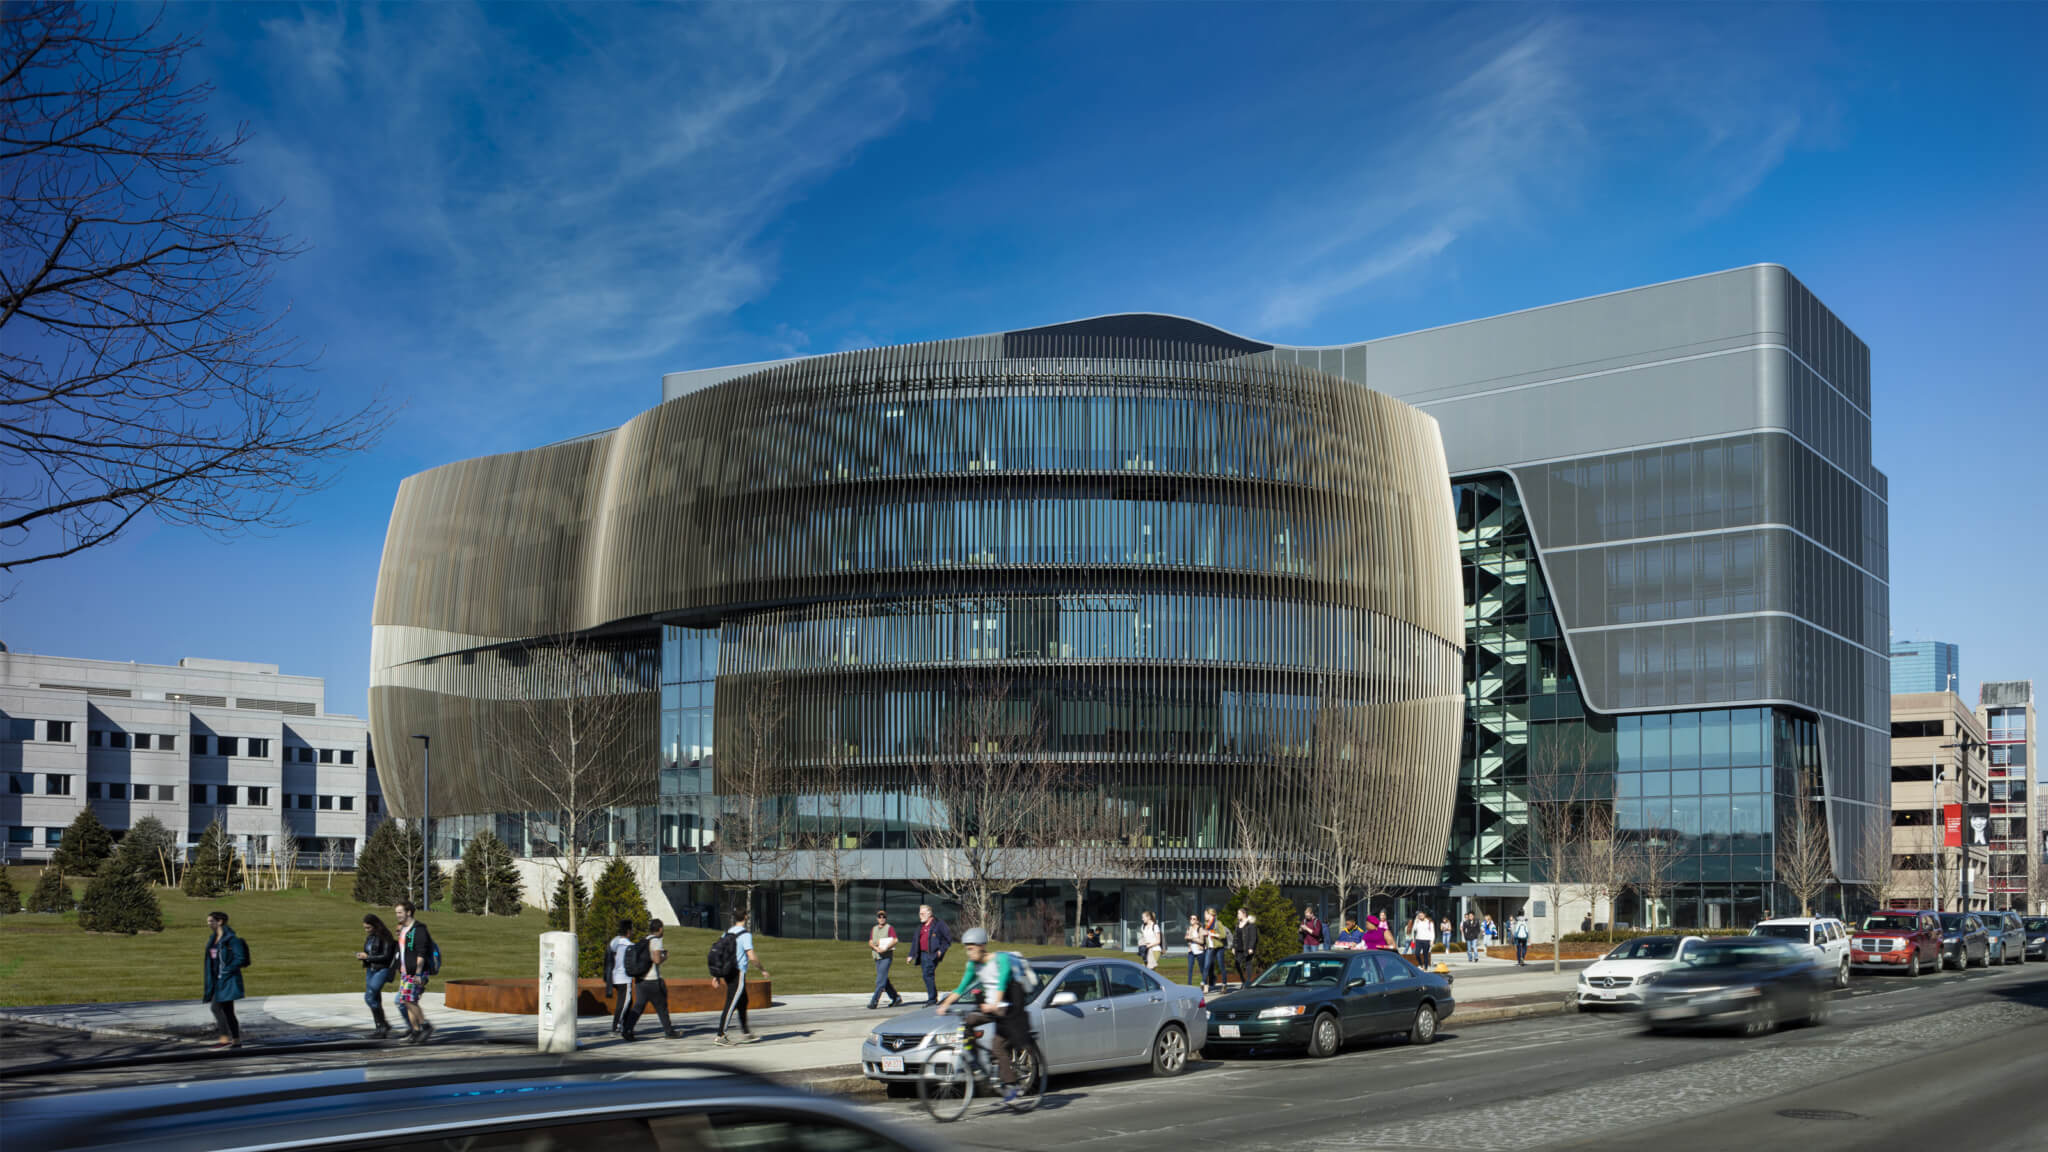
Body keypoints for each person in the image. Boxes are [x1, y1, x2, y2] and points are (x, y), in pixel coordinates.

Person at [937, 927, 1034, 1104]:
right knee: (967, 1022)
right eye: (967, 949)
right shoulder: (973, 965)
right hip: (990, 1008)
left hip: (1007, 1008)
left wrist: (995, 1003)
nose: (969, 952)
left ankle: (1012, 1085)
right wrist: (944, 1005)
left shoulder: (1000, 960)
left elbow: (1002, 982)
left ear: (981, 946)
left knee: (997, 1046)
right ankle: (977, 1065)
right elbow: (961, 988)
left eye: (971, 948)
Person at [715, 909, 769, 1045]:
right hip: (737, 973)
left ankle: (746, 1033)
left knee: (743, 1001)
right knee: (731, 1003)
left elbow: (720, 953)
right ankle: (721, 1035)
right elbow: (751, 956)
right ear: (745, 917)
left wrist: (717, 975)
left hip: (727, 971)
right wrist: (762, 969)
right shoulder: (745, 935)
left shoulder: (728, 932)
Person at [621, 919, 677, 1040]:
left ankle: (627, 1030)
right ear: (660, 929)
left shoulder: (644, 940)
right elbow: (656, 960)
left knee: (638, 1006)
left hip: (640, 980)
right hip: (652, 980)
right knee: (662, 1007)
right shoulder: (655, 941)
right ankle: (669, 1032)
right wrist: (665, 956)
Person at [201, 910, 249, 1049]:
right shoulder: (213, 939)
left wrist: (226, 970)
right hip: (216, 979)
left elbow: (240, 958)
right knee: (228, 1011)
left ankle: (224, 1039)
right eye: (208, 921)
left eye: (211, 921)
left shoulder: (231, 940)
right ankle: (236, 1040)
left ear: (220, 922)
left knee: (216, 1008)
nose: (208, 924)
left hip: (227, 980)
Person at [392, 900, 437, 1044]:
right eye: (396, 913)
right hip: (406, 972)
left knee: (408, 999)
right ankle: (416, 1031)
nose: (398, 915)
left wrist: (418, 973)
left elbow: (421, 953)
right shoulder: (404, 930)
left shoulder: (419, 929)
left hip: (417, 972)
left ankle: (426, 1026)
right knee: (407, 1001)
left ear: (408, 912)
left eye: (400, 912)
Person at [355, 913, 398, 1039]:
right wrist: (363, 956)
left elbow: (386, 956)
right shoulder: (370, 937)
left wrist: (368, 957)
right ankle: (381, 1027)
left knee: (369, 996)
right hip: (371, 969)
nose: (366, 930)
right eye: (365, 928)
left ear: (375, 925)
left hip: (382, 969)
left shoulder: (385, 937)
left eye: (368, 927)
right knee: (375, 998)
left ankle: (382, 1025)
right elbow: (369, 951)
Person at [909, 904, 952, 1005]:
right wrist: (911, 955)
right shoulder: (921, 926)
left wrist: (940, 951)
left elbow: (947, 939)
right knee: (926, 976)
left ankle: (932, 999)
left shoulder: (939, 924)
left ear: (929, 914)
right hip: (922, 954)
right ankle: (932, 997)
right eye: (919, 914)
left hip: (932, 954)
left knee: (928, 974)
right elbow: (915, 941)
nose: (920, 916)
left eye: (922, 913)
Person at [867, 909, 903, 1010]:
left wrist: (885, 948)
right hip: (877, 956)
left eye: (883, 917)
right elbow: (870, 941)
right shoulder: (874, 929)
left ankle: (874, 1001)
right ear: (877, 918)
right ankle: (896, 998)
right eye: (880, 917)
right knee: (883, 979)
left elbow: (895, 940)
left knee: (880, 981)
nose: (881, 918)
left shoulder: (889, 928)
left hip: (886, 957)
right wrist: (875, 948)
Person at [606, 919, 637, 1035]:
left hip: (614, 976)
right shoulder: (630, 945)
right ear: (628, 931)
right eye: (631, 929)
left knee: (628, 1001)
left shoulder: (614, 941)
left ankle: (625, 1025)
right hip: (624, 978)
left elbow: (609, 956)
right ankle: (616, 1027)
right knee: (624, 1002)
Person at [1201, 908, 1227, 991]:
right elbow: (1207, 937)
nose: (1204, 916)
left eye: (1205, 914)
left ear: (1210, 914)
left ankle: (1224, 984)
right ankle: (1204, 983)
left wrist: (1212, 934)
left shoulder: (1218, 923)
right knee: (1206, 966)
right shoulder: (1206, 924)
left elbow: (1223, 935)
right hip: (1210, 948)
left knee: (1221, 966)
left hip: (1219, 947)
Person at [1234, 909, 1260, 985]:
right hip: (1239, 948)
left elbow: (1253, 937)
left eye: (1239, 913)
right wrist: (1233, 946)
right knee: (1237, 964)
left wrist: (1251, 947)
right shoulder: (1238, 924)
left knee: (1248, 964)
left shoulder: (1250, 924)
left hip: (1247, 948)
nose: (1237, 915)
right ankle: (1243, 980)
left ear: (1244, 914)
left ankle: (1248, 981)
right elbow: (1235, 936)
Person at [1184, 914, 1206, 986]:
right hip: (1191, 951)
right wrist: (1187, 938)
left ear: (1197, 921)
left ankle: (1205, 983)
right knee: (1190, 968)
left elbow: (1202, 941)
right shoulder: (1189, 928)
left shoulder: (1200, 929)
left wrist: (1192, 938)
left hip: (1199, 951)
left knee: (1202, 968)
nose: (1191, 920)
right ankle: (1189, 984)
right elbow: (1186, 936)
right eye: (1191, 918)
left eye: (1194, 919)